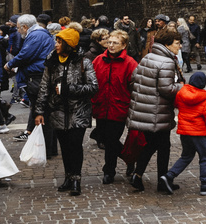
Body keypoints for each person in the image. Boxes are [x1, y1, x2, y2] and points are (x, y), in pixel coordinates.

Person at [34, 26, 98, 195]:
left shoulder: (83, 62)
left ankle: (76, 179)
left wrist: (70, 89)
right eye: (56, 41)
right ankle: (68, 177)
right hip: (58, 111)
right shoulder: (52, 61)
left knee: (75, 145)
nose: (56, 44)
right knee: (65, 146)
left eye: (59, 41)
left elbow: (93, 87)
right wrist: (39, 111)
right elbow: (44, 87)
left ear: (68, 44)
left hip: (79, 111)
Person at [126, 26, 184, 193]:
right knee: (163, 146)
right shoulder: (166, 61)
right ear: (167, 44)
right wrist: (180, 87)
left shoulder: (149, 56)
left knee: (152, 144)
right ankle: (162, 180)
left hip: (146, 109)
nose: (179, 46)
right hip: (157, 111)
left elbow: (134, 78)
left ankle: (138, 175)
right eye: (177, 43)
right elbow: (167, 89)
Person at [159, 72, 206, 196]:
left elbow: (176, 105)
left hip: (184, 132)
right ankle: (205, 185)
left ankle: (169, 175)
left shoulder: (181, 93)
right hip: (198, 133)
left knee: (186, 156)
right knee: (205, 158)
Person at [92, 29, 137, 184]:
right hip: (101, 106)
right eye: (109, 42)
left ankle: (109, 171)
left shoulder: (130, 63)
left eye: (115, 43)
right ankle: (129, 159)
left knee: (111, 140)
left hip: (119, 108)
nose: (110, 45)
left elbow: (135, 87)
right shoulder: (98, 60)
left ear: (123, 45)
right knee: (102, 137)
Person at [7, 14, 54, 144]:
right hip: (37, 74)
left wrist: (10, 64)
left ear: (25, 27)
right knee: (39, 109)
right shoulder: (39, 34)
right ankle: (44, 144)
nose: (18, 31)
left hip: (36, 76)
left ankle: (45, 146)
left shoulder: (36, 35)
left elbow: (25, 55)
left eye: (18, 28)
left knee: (41, 110)